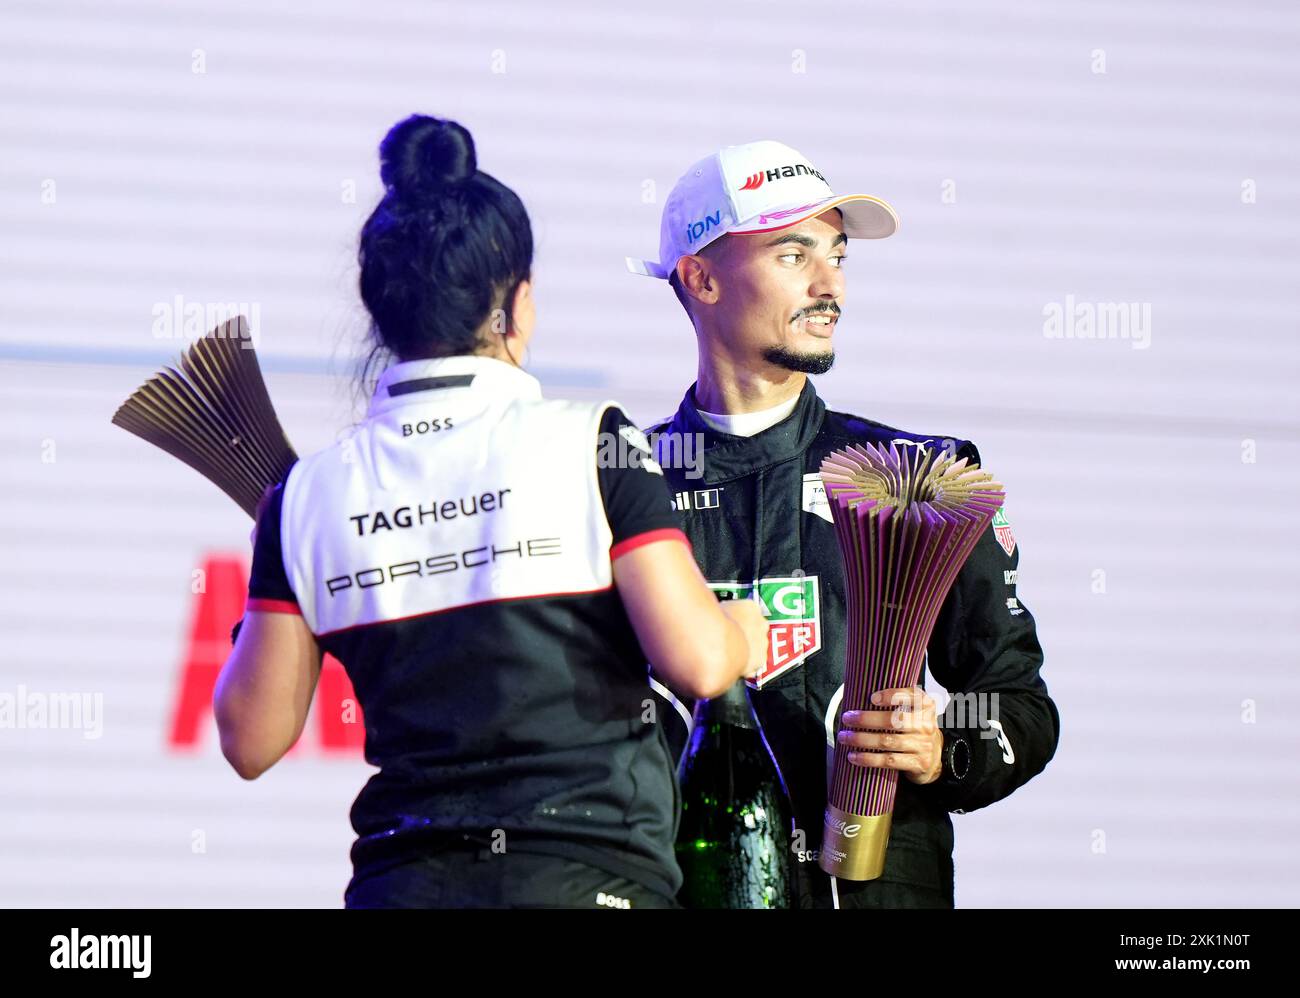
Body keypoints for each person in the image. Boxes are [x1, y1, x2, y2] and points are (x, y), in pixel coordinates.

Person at [212, 114, 769, 910]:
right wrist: (738, 631)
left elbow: (252, 739)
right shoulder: (592, 443)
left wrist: (283, 587)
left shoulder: (305, 495)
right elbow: (699, 662)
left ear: (381, 314)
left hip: (404, 888)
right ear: (517, 304)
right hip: (590, 879)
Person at [626, 139, 1061, 909]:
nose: (832, 287)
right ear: (700, 277)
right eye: (795, 255)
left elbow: (1019, 703)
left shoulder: (919, 478)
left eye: (839, 255)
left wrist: (942, 748)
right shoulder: (620, 482)